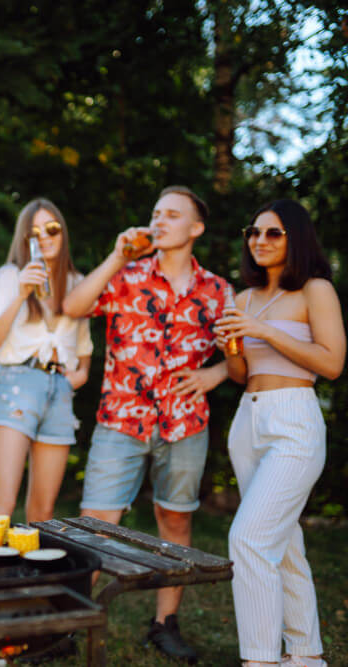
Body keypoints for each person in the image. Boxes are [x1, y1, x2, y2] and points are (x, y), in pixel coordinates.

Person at [63, 185, 231, 663]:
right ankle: (69, 623)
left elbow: (241, 359)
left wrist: (214, 372)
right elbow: (74, 307)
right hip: (122, 418)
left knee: (174, 520)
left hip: (185, 424)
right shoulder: (127, 275)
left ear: (195, 228)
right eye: (155, 213)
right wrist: (116, 257)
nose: (159, 221)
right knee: (94, 525)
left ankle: (164, 624)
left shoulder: (218, 291)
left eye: (172, 215)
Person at [214, 200, 344, 667]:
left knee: (249, 540)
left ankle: (261, 660)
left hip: (293, 420)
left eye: (273, 233)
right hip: (249, 420)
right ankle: (306, 655)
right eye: (254, 232)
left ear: (296, 238)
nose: (260, 241)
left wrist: (262, 330)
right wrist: (228, 344)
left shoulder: (315, 290)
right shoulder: (243, 298)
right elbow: (239, 373)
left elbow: (331, 362)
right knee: (283, 543)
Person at [0, 198, 92, 523]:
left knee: (43, 513)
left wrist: (78, 376)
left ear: (62, 232)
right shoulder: (9, 276)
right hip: (17, 383)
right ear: (24, 239)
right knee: (2, 504)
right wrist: (21, 293)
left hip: (60, 390)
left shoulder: (77, 282)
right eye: (34, 232)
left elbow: (85, 348)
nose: (44, 237)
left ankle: (30, 575)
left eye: (51, 228)